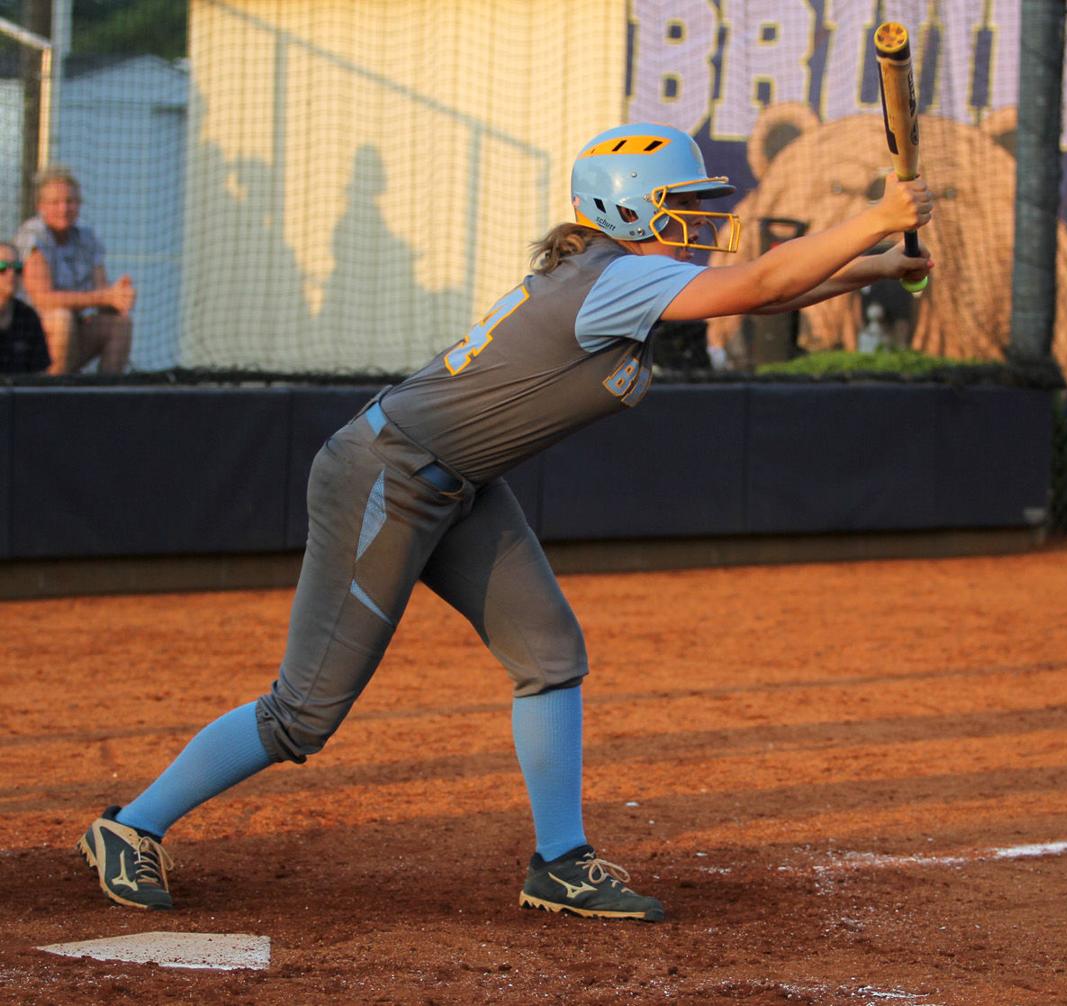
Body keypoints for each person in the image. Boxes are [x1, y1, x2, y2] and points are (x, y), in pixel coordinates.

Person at [76, 123, 932, 920]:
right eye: (681, 206)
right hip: (388, 476)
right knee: (304, 714)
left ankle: (560, 862)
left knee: (551, 654)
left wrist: (877, 263)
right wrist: (877, 218)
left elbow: (761, 297)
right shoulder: (615, 278)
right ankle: (133, 827)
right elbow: (765, 280)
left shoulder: (621, 273)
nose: (698, 221)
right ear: (627, 207)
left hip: (456, 480)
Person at [15, 166, 134, 374]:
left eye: (70, 201)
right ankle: (52, 393)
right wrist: (104, 297)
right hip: (31, 339)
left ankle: (108, 396)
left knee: (120, 325)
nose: (64, 209)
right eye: (55, 202)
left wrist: (119, 297)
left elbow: (102, 296)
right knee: (62, 319)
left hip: (74, 333)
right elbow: (43, 299)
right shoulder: (33, 235)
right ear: (41, 206)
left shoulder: (86, 237)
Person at [0, 242, 50, 374]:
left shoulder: (28, 317)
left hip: (20, 393)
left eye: (17, 268)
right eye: (2, 267)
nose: (11, 275)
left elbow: (39, 373)